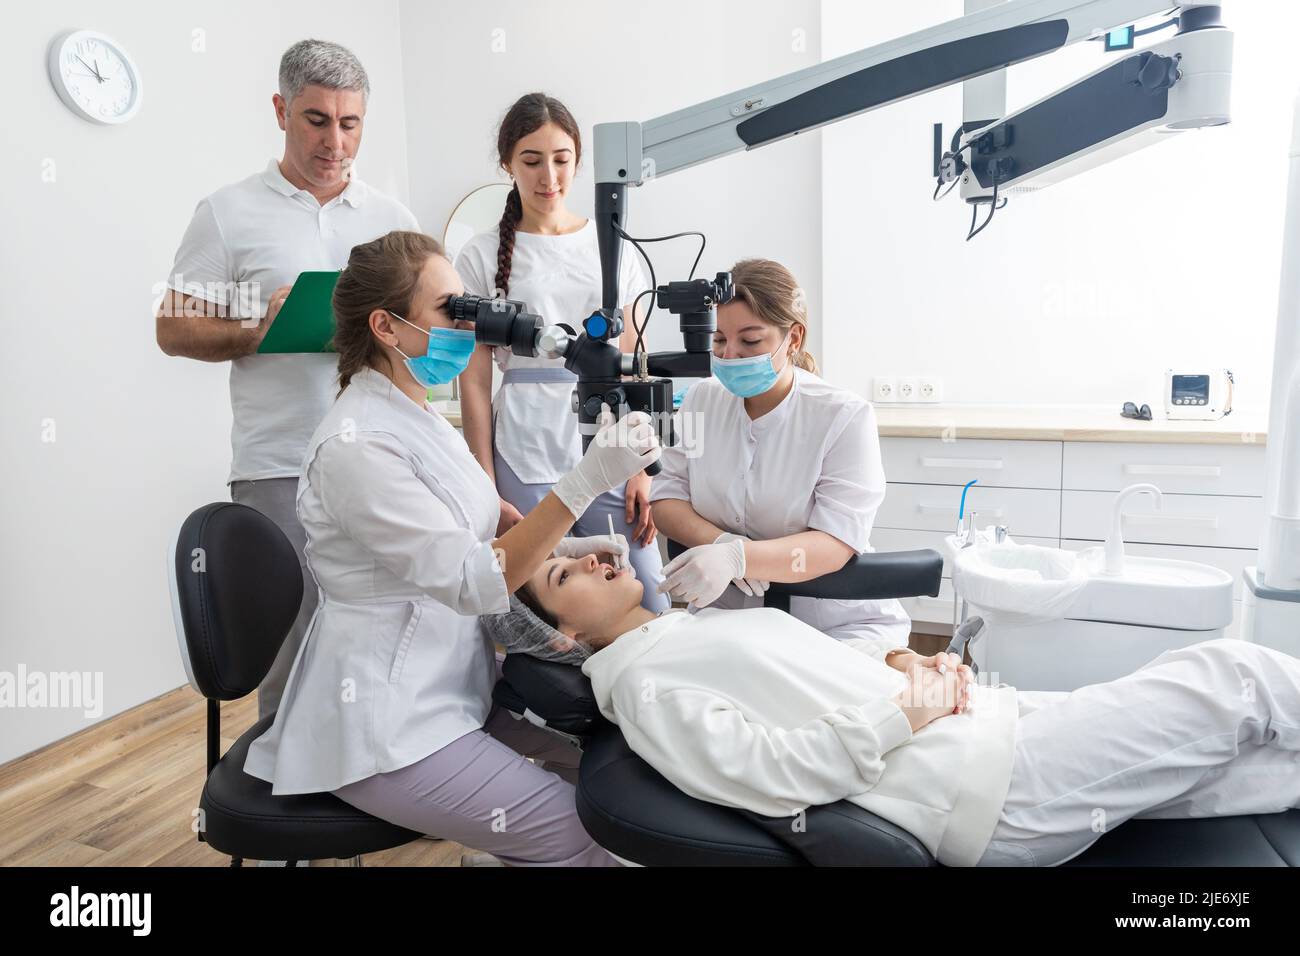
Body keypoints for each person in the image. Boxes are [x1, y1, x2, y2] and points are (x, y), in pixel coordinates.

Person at [243, 230, 660, 866]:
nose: (470, 322)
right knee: (577, 833)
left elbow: (493, 527)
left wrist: (577, 549)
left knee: (608, 781)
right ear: (386, 326)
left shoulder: (415, 415)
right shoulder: (357, 445)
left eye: (469, 304)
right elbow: (471, 579)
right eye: (451, 309)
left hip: (454, 686)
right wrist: (585, 482)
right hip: (388, 722)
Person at [505, 550, 1300, 867]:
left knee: (1261, 762)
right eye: (564, 573)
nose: (593, 555)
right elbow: (771, 774)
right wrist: (907, 715)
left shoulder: (683, 630)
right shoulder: (646, 690)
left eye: (577, 546)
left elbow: (806, 675)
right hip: (988, 787)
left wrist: (899, 662)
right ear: (565, 635)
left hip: (985, 730)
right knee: (1233, 676)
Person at [156, 39, 419, 719]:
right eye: (317, 120)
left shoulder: (394, 220)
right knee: (293, 638)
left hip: (380, 456)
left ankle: (379, 775)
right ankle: (284, 791)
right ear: (280, 110)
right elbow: (173, 328)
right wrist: (255, 333)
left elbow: (428, 337)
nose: (336, 141)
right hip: (279, 463)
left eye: (350, 123)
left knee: (384, 628)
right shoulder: (226, 211)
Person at [454, 93, 668, 611]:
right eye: (531, 160)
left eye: (561, 159)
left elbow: (636, 361)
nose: (548, 176)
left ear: (578, 159)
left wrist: (640, 467)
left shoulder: (614, 246)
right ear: (508, 164)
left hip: (608, 433)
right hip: (523, 448)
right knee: (536, 604)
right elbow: (475, 382)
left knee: (647, 595)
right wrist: (485, 480)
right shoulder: (481, 255)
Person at [650, 258, 910, 650]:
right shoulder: (702, 400)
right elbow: (667, 499)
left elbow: (835, 541)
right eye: (719, 340)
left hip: (833, 624)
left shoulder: (842, 416)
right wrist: (722, 544)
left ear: (793, 338)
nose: (730, 354)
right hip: (729, 619)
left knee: (835, 704)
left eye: (750, 341)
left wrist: (741, 560)